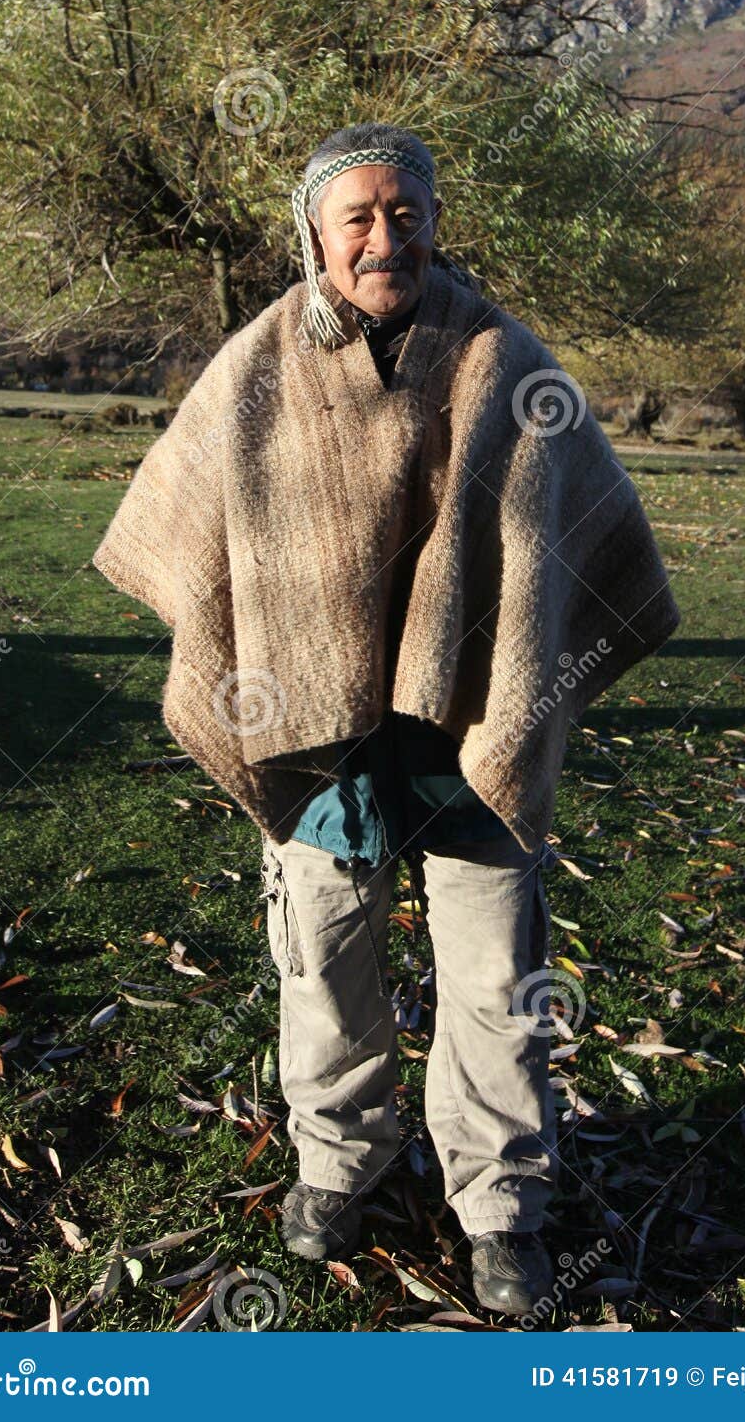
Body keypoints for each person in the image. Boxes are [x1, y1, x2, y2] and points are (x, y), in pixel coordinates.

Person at [92, 122, 681, 1317]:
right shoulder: (255, 366)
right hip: (312, 735)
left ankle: (503, 1203)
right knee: (323, 964)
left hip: (470, 732)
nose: (382, 235)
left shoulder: (502, 361)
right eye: (355, 215)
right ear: (312, 231)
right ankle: (334, 1163)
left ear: (431, 221)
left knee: (492, 979)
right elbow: (183, 518)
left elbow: (584, 533)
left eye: (404, 211)